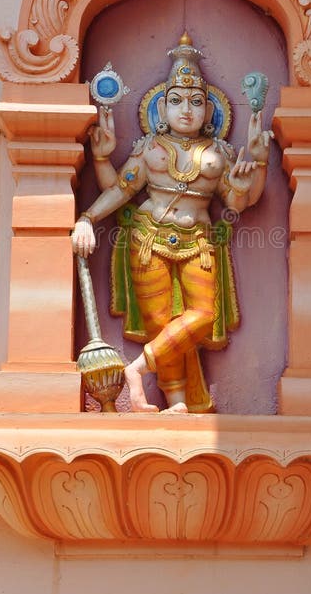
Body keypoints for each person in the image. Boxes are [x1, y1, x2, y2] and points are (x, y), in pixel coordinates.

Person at [72, 33, 270, 412]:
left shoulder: (220, 153)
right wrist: (88, 211)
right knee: (163, 325)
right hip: (148, 239)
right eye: (176, 101)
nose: (186, 110)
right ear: (161, 109)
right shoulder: (149, 150)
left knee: (202, 315)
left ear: (210, 111)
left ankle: (137, 368)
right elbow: (120, 190)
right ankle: (176, 404)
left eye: (196, 102)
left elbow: (239, 202)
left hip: (198, 241)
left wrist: (256, 168)